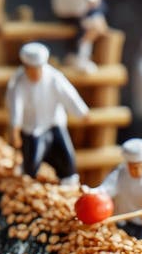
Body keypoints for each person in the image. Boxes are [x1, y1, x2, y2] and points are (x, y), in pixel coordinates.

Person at [6, 42, 89, 186]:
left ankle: (68, 182)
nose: (35, 73)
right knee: (31, 163)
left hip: (54, 124)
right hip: (32, 130)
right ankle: (28, 185)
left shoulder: (54, 77)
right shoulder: (18, 83)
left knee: (66, 157)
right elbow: (15, 108)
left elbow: (69, 96)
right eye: (31, 69)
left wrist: (81, 112)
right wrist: (15, 130)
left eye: (37, 69)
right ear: (25, 67)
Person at [91, 137, 142, 247]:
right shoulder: (121, 173)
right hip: (122, 221)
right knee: (118, 246)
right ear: (127, 164)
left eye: (140, 167)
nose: (137, 171)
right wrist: (93, 193)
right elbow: (107, 189)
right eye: (133, 168)